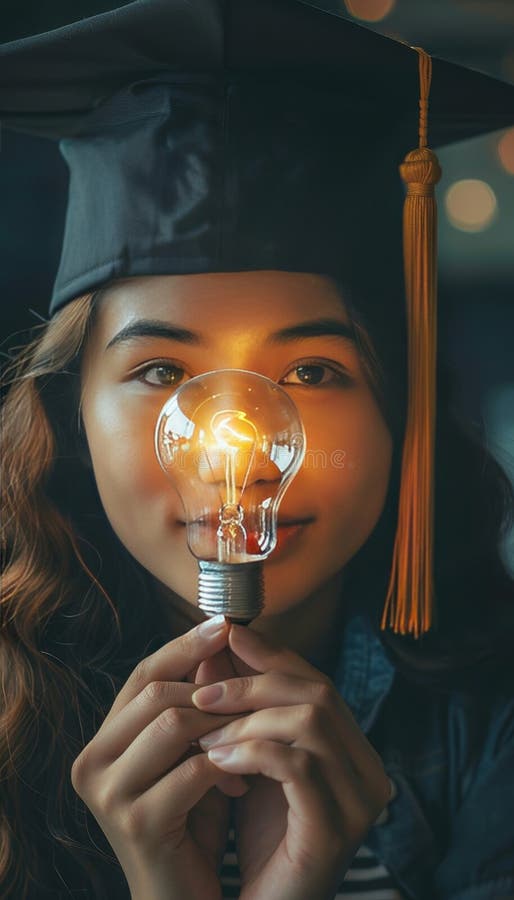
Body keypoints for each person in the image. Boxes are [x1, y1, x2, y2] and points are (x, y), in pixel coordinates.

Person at [1, 2, 514, 898]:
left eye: (312, 370)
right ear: (70, 412)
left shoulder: (494, 722)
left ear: (399, 408)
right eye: (162, 371)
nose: (237, 454)